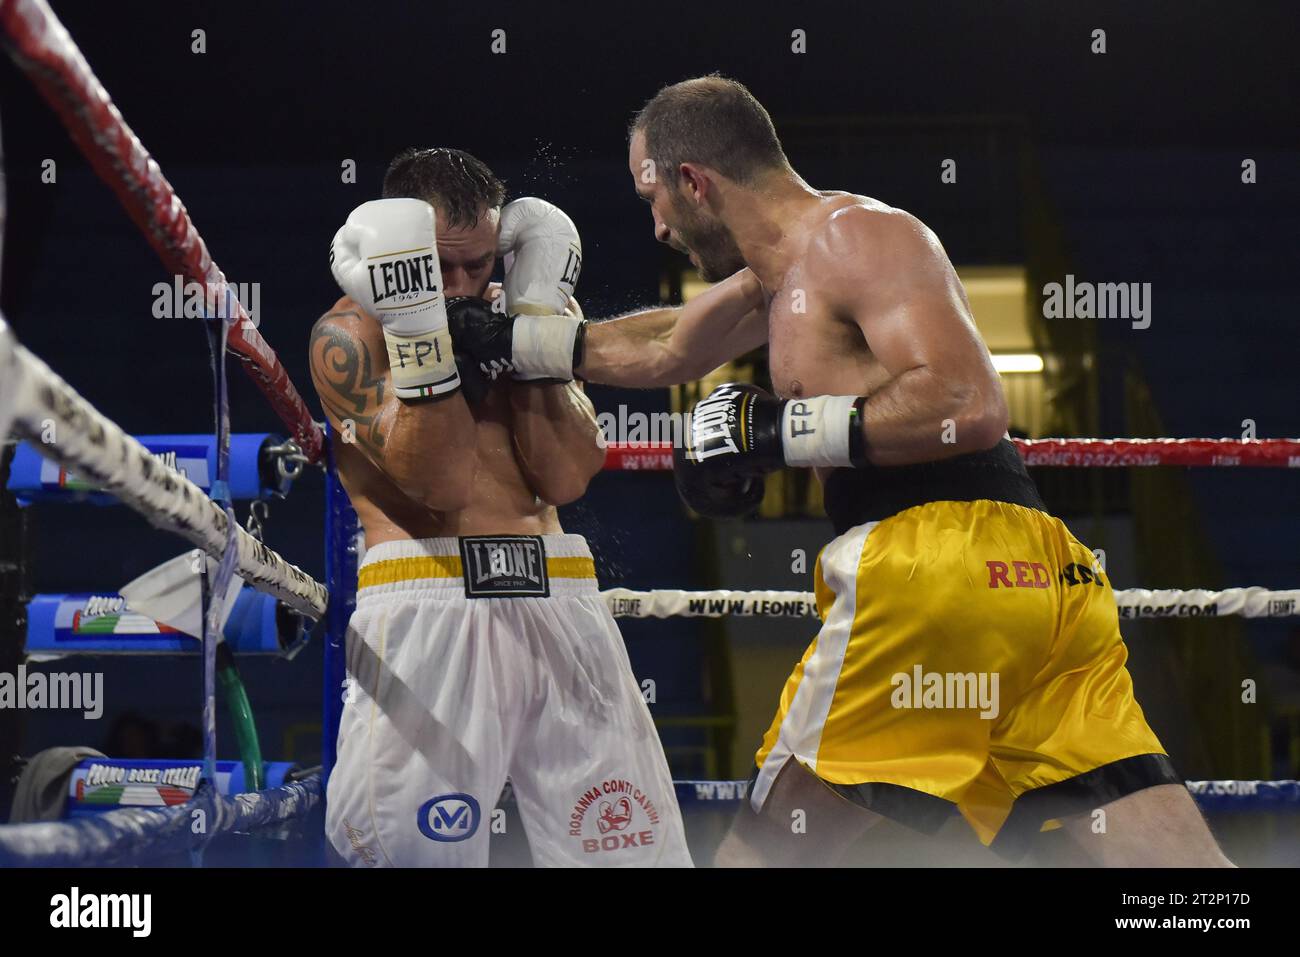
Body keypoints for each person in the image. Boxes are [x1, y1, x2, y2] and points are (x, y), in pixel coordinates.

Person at [448, 79, 1233, 867]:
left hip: (935, 570)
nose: (656, 227)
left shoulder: (858, 237)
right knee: (1169, 865)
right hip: (1041, 581)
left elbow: (969, 399)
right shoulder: (785, 273)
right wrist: (518, 342)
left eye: (655, 197)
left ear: (695, 181)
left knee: (766, 844)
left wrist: (777, 432)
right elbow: (668, 345)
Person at [311, 147, 689, 867]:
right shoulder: (349, 336)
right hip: (429, 600)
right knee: (409, 857)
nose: (460, 284)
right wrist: (425, 336)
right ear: (396, 254)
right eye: (438, 267)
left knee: (630, 852)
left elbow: (569, 474)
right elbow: (443, 482)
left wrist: (528, 340)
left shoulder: (524, 308)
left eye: (477, 264)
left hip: (557, 591)